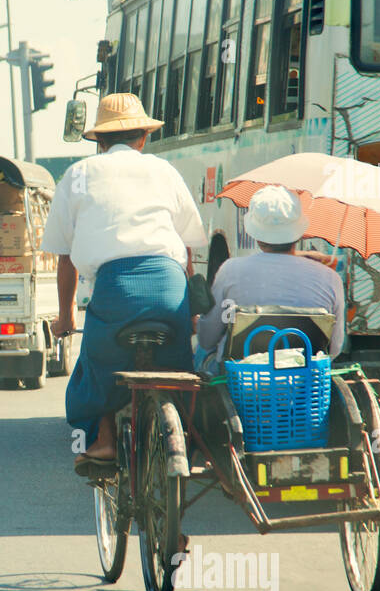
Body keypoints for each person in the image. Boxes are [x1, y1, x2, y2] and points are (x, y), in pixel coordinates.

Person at [42, 92, 206, 476]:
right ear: (143, 138)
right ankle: (187, 438)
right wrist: (191, 311)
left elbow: (65, 258)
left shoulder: (79, 174)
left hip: (116, 292)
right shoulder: (164, 171)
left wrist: (66, 318)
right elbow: (187, 246)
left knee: (93, 373)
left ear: (99, 141)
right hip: (170, 286)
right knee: (179, 371)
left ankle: (102, 440)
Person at [196, 185, 346, 368]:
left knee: (201, 350)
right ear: (298, 233)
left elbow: (206, 339)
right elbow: (335, 348)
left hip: (241, 380)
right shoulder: (330, 278)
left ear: (256, 235)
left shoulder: (230, 270)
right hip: (305, 384)